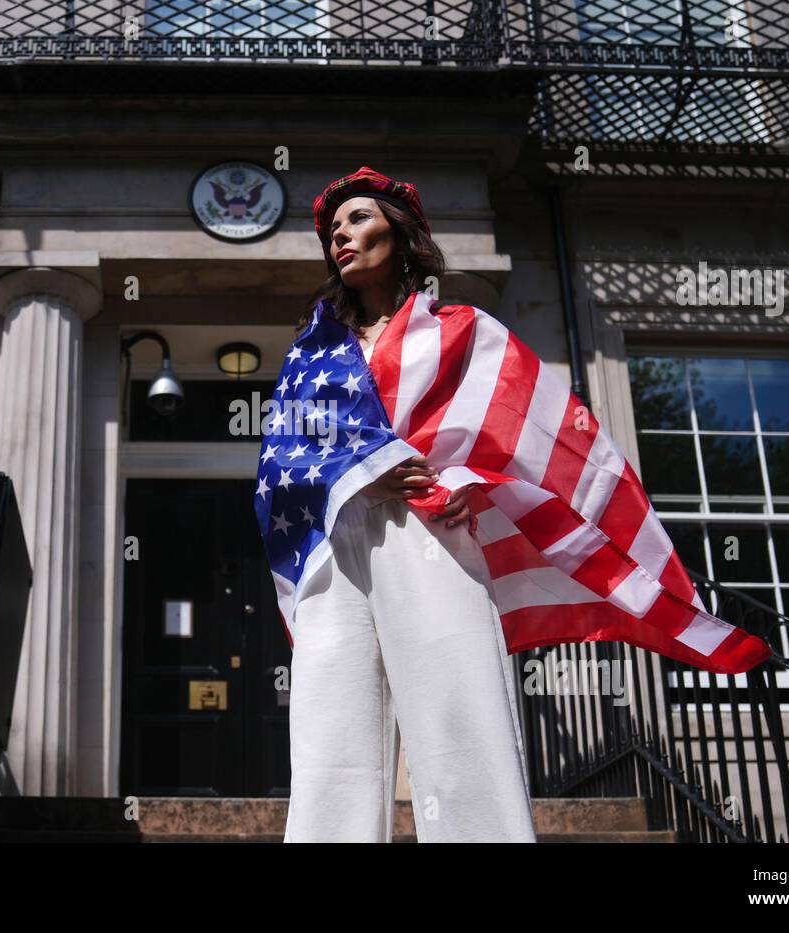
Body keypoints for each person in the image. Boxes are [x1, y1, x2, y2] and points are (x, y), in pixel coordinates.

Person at [281, 166, 538, 843]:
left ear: (402, 232)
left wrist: (474, 482)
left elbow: (520, 432)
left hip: (431, 527)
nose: (342, 235)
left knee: (460, 712)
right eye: (333, 229)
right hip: (338, 537)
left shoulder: (460, 329)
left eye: (360, 220)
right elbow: (282, 456)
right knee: (328, 728)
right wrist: (361, 472)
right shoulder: (313, 350)